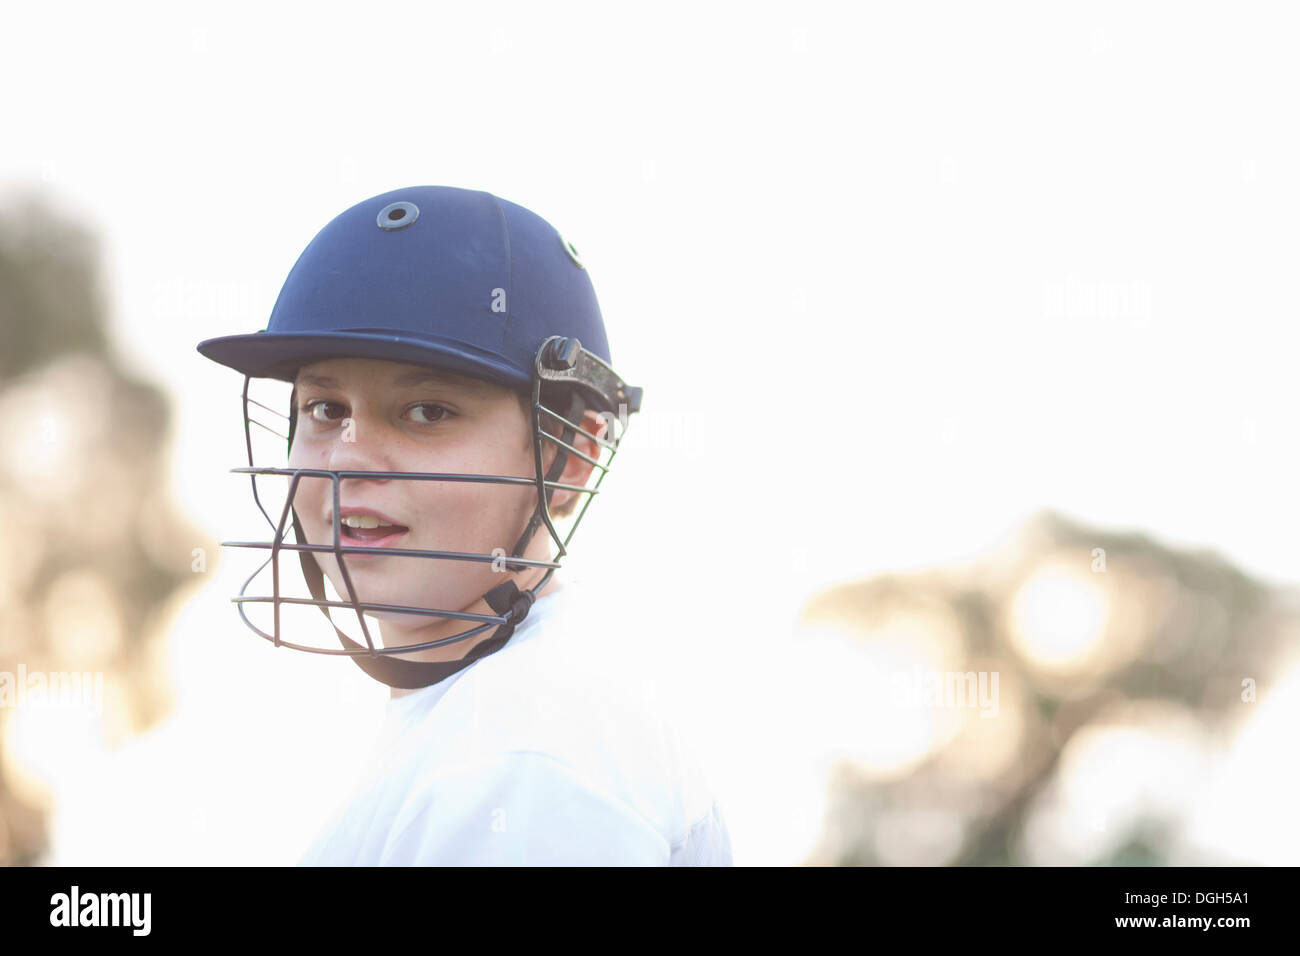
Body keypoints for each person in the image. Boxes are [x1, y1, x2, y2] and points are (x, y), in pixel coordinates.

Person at [196, 184, 732, 865]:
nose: (348, 455)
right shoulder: (484, 725)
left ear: (569, 459)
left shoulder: (528, 758)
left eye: (428, 411)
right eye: (326, 409)